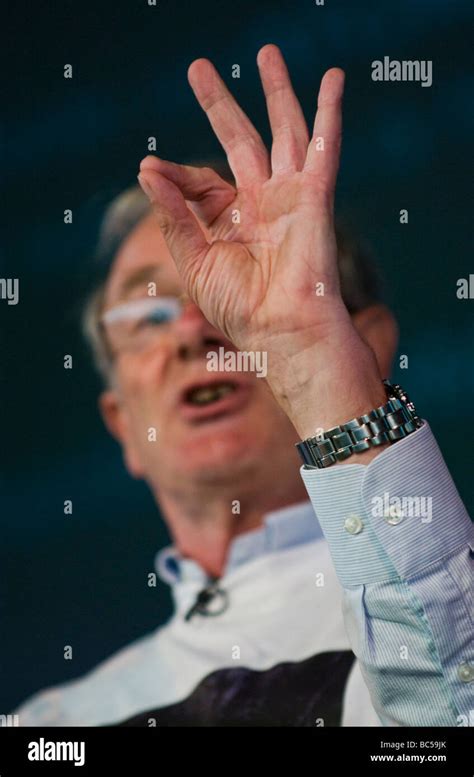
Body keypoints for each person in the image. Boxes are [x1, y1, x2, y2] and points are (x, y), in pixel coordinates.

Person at [14, 44, 472, 727]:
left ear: (369, 345)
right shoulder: (52, 724)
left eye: (236, 290)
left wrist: (311, 357)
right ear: (121, 425)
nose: (192, 330)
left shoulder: (454, 606)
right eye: (146, 314)